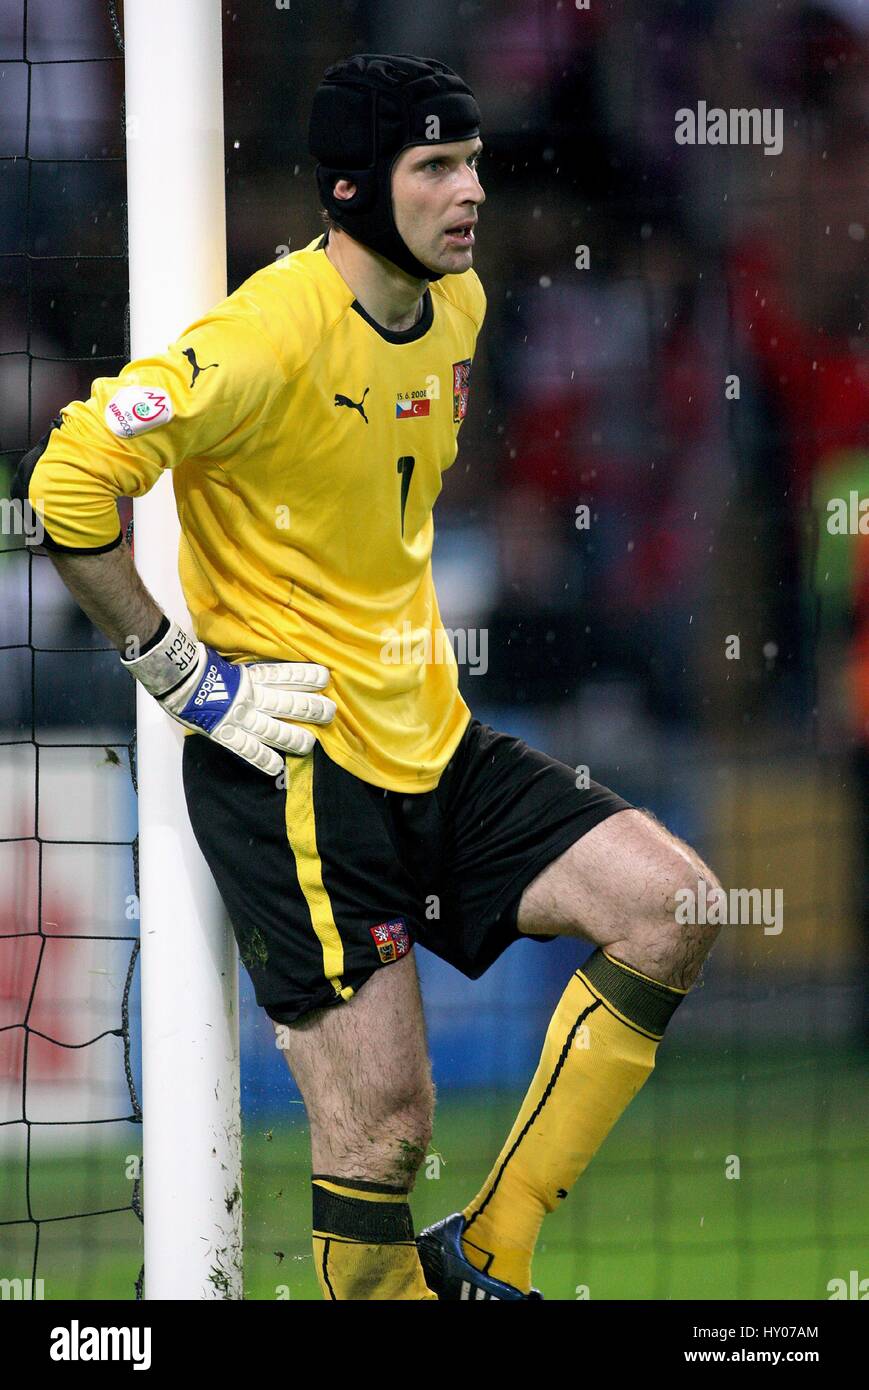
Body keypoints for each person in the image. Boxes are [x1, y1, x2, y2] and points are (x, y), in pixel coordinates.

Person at [14, 53, 722, 1301]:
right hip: (295, 761)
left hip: (432, 736)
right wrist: (179, 672)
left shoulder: (458, 308)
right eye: (434, 167)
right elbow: (66, 485)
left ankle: (487, 1254)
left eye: (473, 164)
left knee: (670, 906)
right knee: (382, 1132)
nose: (470, 193)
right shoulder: (257, 341)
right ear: (351, 189)